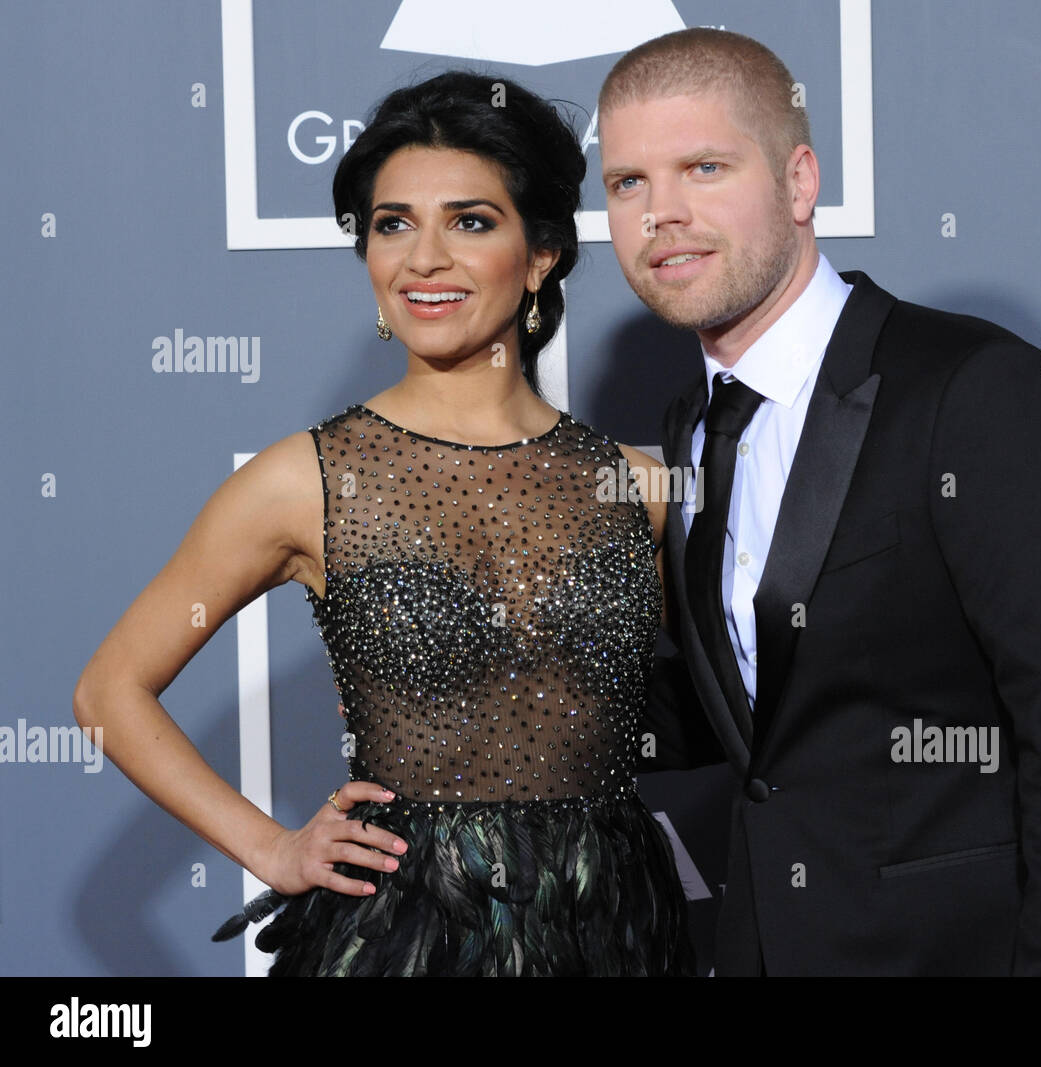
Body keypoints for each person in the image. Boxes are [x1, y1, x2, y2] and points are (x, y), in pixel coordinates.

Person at [72, 71, 693, 977]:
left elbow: (739, 716)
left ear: (541, 254)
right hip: (405, 936)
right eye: (393, 223)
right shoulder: (304, 481)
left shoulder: (636, 486)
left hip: (612, 931)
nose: (423, 257)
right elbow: (107, 694)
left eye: (471, 222)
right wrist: (274, 849)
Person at [599, 29, 1041, 975]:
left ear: (799, 181)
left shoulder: (973, 389)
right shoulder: (694, 423)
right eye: (628, 184)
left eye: (704, 166)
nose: (663, 214)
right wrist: (499, 710)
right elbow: (766, 704)